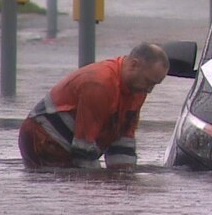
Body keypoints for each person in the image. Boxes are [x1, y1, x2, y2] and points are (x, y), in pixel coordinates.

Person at [18, 42, 169, 170]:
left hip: (72, 140)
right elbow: (84, 148)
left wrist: (125, 178)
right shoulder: (99, 84)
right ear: (134, 65)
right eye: (148, 81)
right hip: (43, 139)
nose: (149, 90)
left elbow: (123, 138)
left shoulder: (137, 89)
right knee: (81, 185)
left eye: (154, 84)